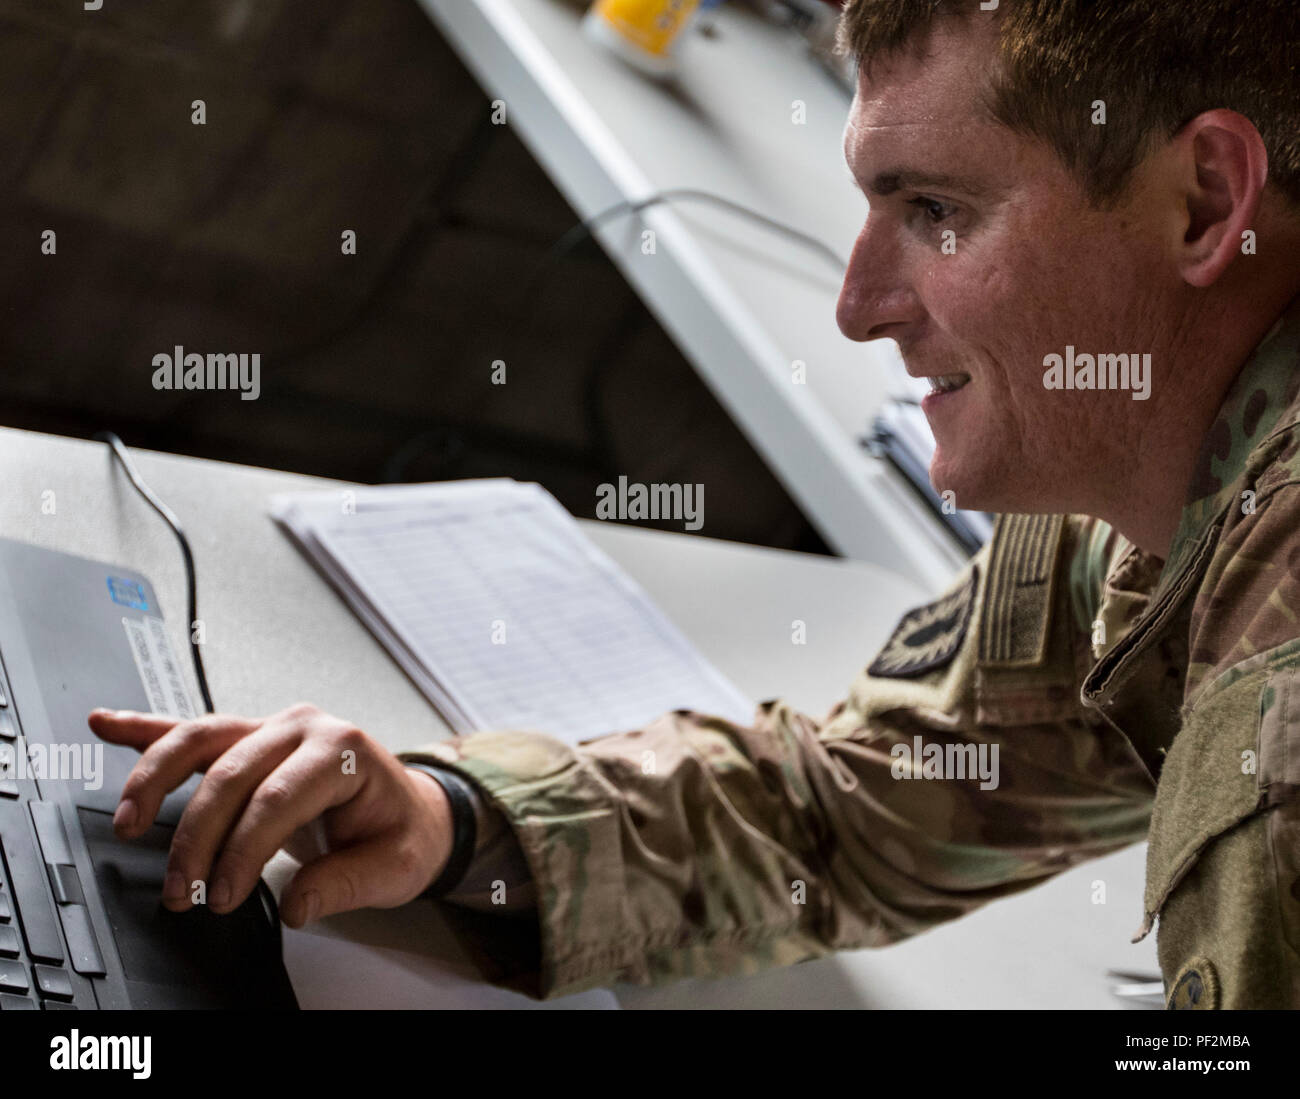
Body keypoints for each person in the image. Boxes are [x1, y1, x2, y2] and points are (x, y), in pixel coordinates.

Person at [89, 0, 1300, 1008]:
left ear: (1203, 201)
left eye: (936, 212)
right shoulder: (1144, 475)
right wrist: (452, 820)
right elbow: (863, 800)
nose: (859, 305)